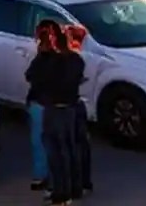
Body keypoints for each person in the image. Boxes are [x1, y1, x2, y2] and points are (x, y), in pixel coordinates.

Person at [42, 22, 85, 206]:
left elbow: (37, 78)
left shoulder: (52, 62)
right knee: (71, 149)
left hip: (55, 108)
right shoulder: (77, 61)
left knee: (56, 153)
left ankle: (61, 193)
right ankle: (75, 188)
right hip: (71, 107)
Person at [23, 21, 60, 192]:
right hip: (55, 105)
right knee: (54, 142)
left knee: (39, 142)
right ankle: (55, 177)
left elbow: (29, 76)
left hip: (39, 104)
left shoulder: (41, 60)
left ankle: (41, 176)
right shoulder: (61, 60)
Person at [65, 24, 93, 194]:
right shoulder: (79, 59)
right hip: (78, 103)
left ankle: (76, 184)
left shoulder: (71, 59)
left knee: (72, 147)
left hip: (68, 105)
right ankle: (85, 181)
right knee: (82, 146)